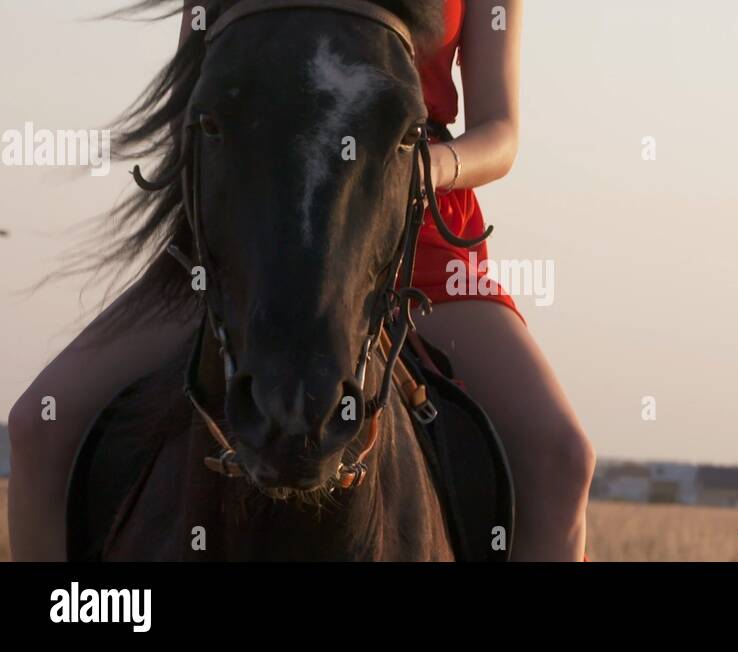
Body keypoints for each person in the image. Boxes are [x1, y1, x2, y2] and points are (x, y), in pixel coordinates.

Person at [7, 0, 594, 562]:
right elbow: (190, 104)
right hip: (250, 234)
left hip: (415, 228)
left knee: (562, 458)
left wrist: (420, 167)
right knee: (39, 428)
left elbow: (501, 133)